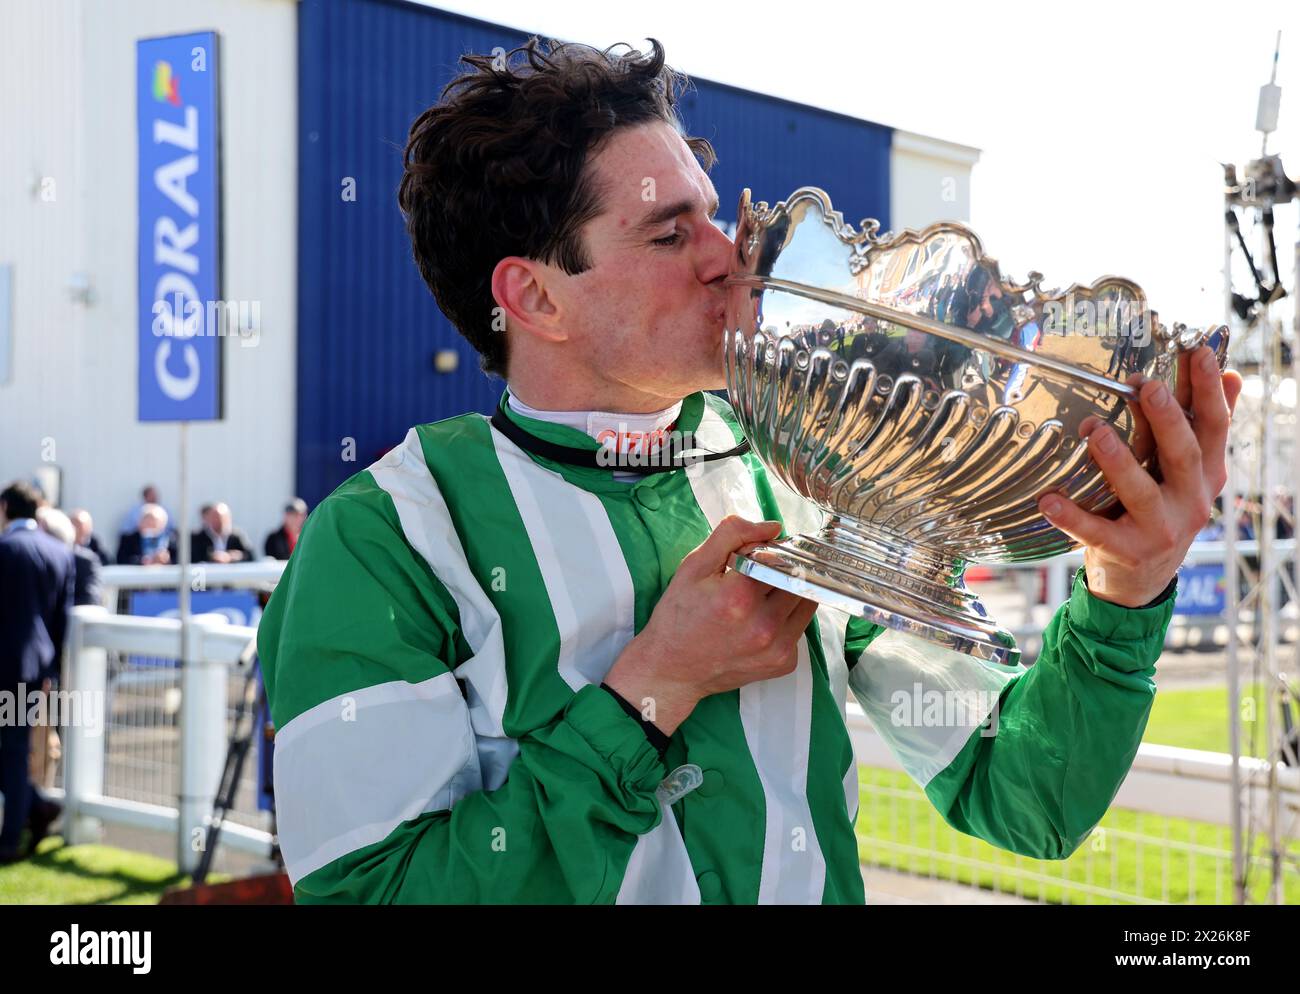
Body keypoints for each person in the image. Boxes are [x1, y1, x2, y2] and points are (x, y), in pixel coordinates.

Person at [257, 38, 1243, 904]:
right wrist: (647, 693)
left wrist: (1123, 593)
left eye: (716, 218)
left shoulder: (802, 468)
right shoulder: (388, 536)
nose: (729, 257)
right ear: (536, 298)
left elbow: (1023, 796)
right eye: (668, 231)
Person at [0, 481, 74, 863]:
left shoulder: (5, 549)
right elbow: (62, 620)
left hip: (5, 664)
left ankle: (12, 836)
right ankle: (37, 806)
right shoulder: (60, 552)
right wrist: (52, 670)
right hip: (36, 667)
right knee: (13, 749)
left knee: (12, 752)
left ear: (6, 509)